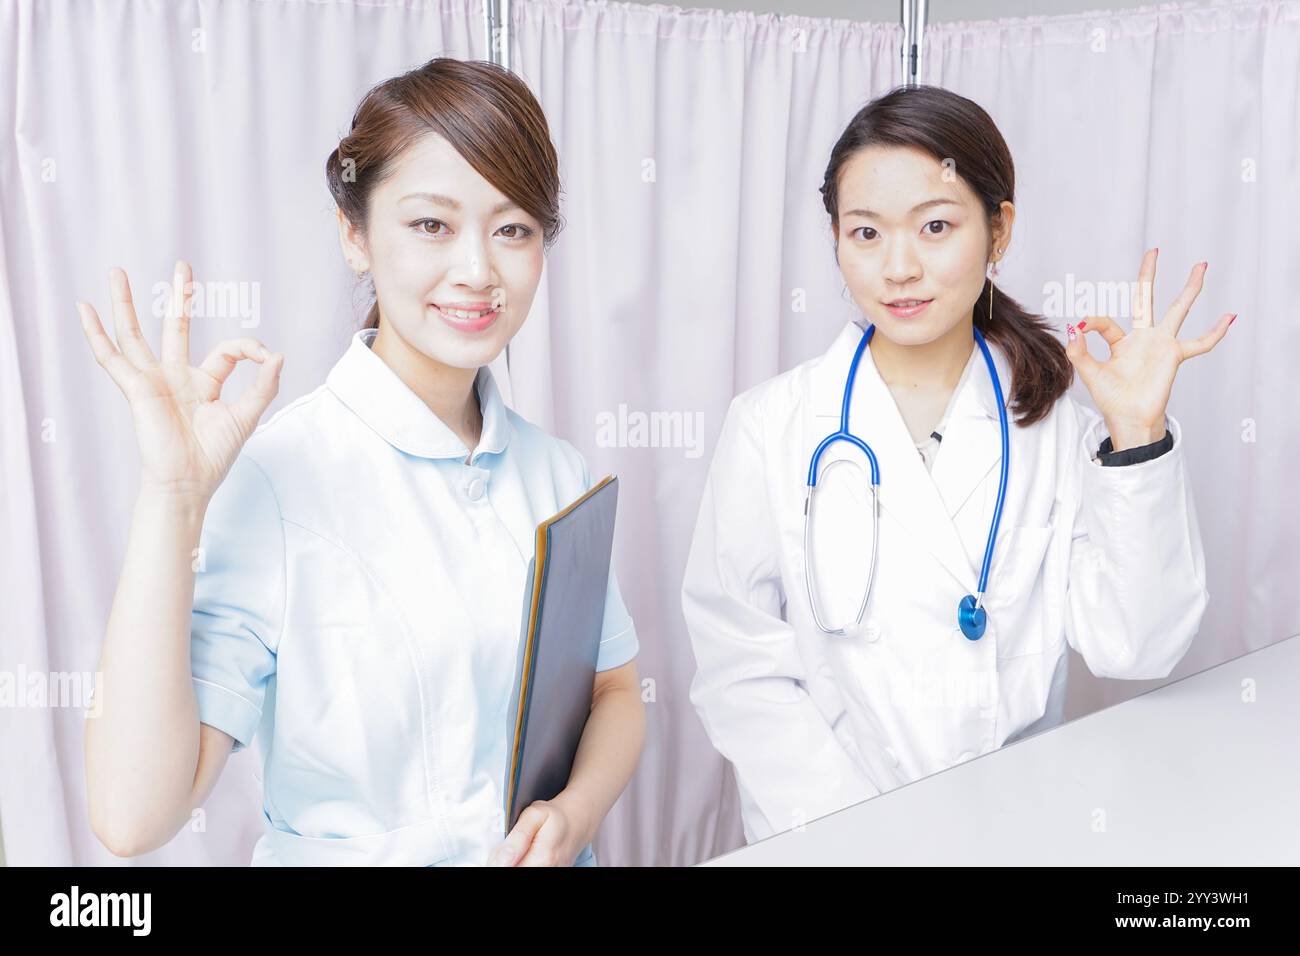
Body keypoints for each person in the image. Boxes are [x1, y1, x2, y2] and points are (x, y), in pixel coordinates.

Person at [79, 57, 645, 866]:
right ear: (355, 235)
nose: (477, 271)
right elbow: (132, 817)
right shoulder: (278, 477)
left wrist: (575, 816)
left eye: (513, 228)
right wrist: (172, 497)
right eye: (432, 225)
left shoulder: (558, 474)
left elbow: (614, 690)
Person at [681, 85, 1228, 845]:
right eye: (865, 233)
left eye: (935, 226)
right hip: (834, 838)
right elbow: (739, 669)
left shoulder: (1056, 434)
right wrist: (865, 834)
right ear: (835, 240)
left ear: (999, 230)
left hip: (1014, 829)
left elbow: (1138, 644)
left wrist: (1136, 435)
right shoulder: (769, 426)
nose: (898, 267)